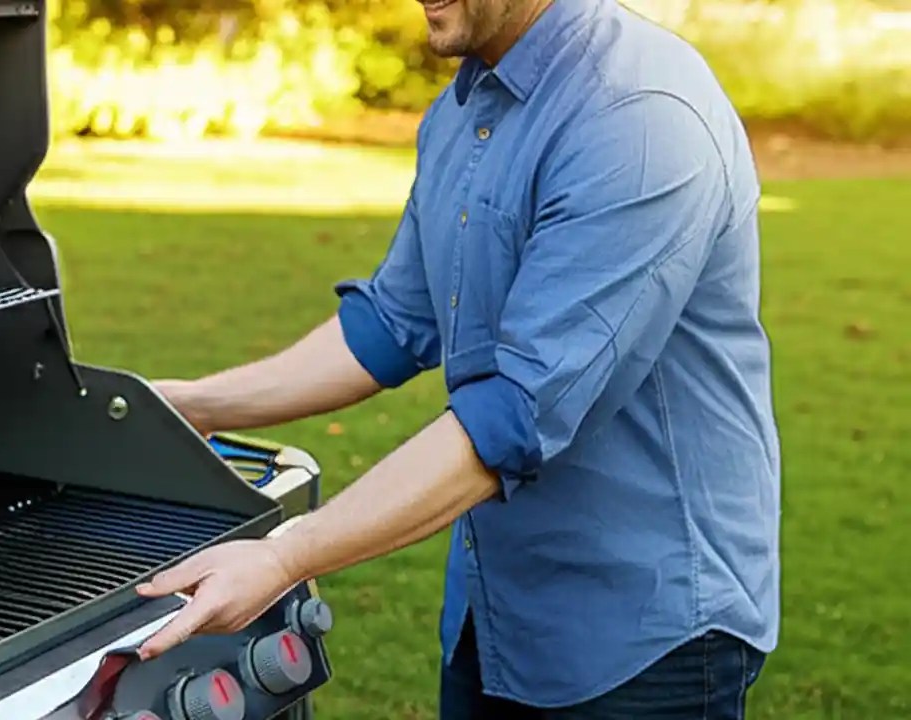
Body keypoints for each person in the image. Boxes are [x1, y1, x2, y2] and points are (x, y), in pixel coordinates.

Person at [135, 0, 781, 717]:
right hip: (496, 611)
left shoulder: (639, 116)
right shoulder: (464, 107)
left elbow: (516, 412)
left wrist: (288, 556)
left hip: (644, 633)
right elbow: (392, 322)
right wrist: (189, 406)